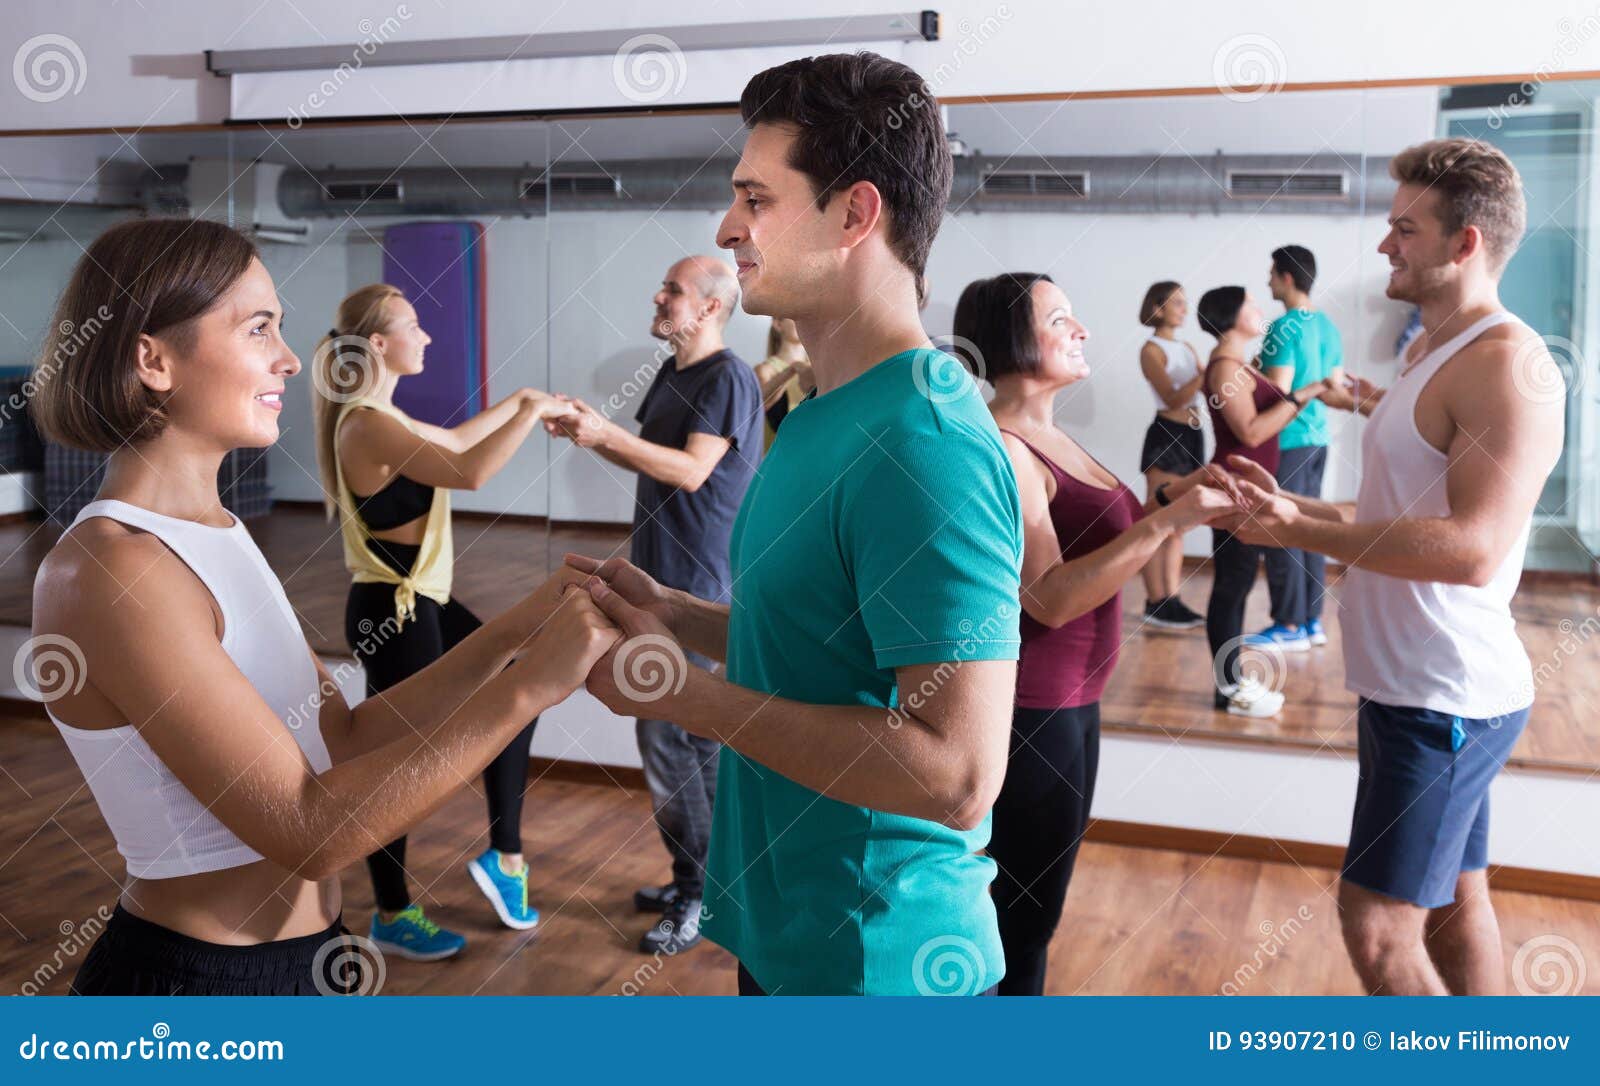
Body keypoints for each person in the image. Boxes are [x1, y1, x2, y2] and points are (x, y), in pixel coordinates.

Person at [26, 218, 618, 996]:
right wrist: (528, 684)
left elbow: (341, 734)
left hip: (309, 962)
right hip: (202, 988)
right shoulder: (112, 568)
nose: (288, 357)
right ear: (153, 358)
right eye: (259, 327)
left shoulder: (217, 533)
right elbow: (310, 830)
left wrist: (526, 624)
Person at [564, 52, 1022, 996]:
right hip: (787, 931)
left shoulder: (926, 438)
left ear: (856, 213)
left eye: (755, 199)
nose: (730, 228)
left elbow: (957, 774)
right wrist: (679, 616)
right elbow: (832, 645)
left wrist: (678, 695)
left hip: (879, 963)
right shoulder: (818, 413)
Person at [1221, 138, 1563, 995]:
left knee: (1376, 930)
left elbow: (1474, 547)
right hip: (1411, 687)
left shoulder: (1505, 365)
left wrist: (1304, 533)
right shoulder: (1428, 355)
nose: (1383, 246)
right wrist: (1291, 513)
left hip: (1443, 699)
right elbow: (1398, 518)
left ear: (1466, 243)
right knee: (1451, 904)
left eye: (1404, 229)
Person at [955, 272, 1239, 995]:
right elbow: (1048, 599)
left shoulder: (1050, 435)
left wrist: (1177, 493)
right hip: (1033, 711)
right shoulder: (1008, 448)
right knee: (1023, 920)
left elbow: (1105, 532)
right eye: (1061, 319)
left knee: (1034, 914)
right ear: (1014, 340)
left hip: (1075, 703)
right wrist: (1169, 521)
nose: (1081, 330)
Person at [311, 284, 578, 959]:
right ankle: (392, 912)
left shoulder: (384, 417)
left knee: (520, 679)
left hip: (418, 604)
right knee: (392, 767)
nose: (427, 338)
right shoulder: (365, 423)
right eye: (415, 327)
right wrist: (530, 415)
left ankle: (505, 857)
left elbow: (459, 437)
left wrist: (524, 401)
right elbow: (472, 469)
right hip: (391, 614)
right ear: (379, 344)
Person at [546, 255, 761, 955]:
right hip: (663, 584)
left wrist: (604, 435)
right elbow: (653, 460)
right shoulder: (675, 373)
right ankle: (699, 880)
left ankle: (701, 894)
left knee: (677, 745)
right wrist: (593, 433)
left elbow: (693, 471)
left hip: (699, 594)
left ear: (709, 309)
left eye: (672, 290)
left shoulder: (726, 377)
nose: (659, 296)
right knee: (678, 744)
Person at [1196, 286, 1330, 718]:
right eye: (1251, 304)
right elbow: (1251, 432)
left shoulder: (1238, 365)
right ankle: (1228, 687)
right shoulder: (1225, 368)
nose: (1259, 310)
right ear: (1231, 315)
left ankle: (1231, 681)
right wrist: (1301, 396)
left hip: (1247, 491)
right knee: (1232, 586)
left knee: (1236, 585)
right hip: (1234, 490)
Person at [1249, 245, 1345, 652]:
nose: (1268, 281)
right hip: (1318, 440)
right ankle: (1310, 622)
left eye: (1272, 273)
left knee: (1283, 529)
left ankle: (1288, 624)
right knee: (1310, 530)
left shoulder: (1284, 327)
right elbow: (1334, 387)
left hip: (1287, 441)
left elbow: (1281, 391)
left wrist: (1251, 372)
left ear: (1287, 277)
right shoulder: (1328, 327)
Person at [1135, 281, 1208, 629]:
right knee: (1159, 521)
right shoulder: (1151, 349)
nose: (1183, 308)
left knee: (1178, 525)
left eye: (1184, 302)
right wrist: (1207, 374)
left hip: (1193, 436)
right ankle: (1154, 600)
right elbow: (1174, 397)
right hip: (1167, 436)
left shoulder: (1187, 347)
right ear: (1158, 307)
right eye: (1176, 302)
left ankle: (1172, 598)